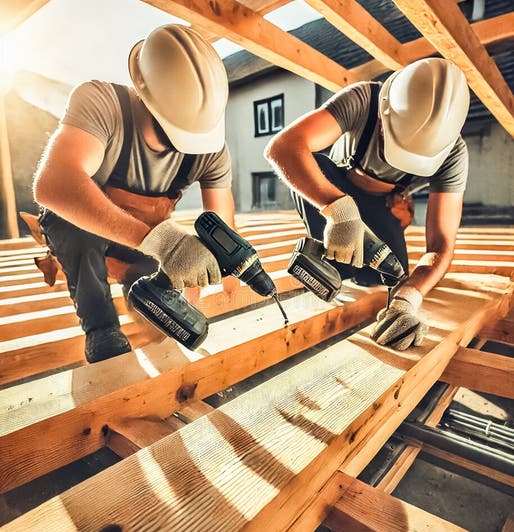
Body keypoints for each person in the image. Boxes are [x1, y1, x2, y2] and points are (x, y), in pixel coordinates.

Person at [33, 24, 235, 363]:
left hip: (137, 240)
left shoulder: (209, 146)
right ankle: (101, 328)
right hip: (87, 232)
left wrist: (206, 268)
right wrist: (166, 243)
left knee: (151, 302)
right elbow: (54, 183)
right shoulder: (101, 103)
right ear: (144, 92)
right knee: (74, 231)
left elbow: (223, 229)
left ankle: (129, 280)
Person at [265, 58, 470, 351]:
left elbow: (440, 246)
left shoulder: (454, 155)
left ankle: (345, 264)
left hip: (380, 205)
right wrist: (339, 211)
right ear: (385, 113)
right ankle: (330, 253)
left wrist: (407, 300)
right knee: (316, 165)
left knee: (386, 274)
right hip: (334, 188)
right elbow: (283, 148)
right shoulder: (364, 100)